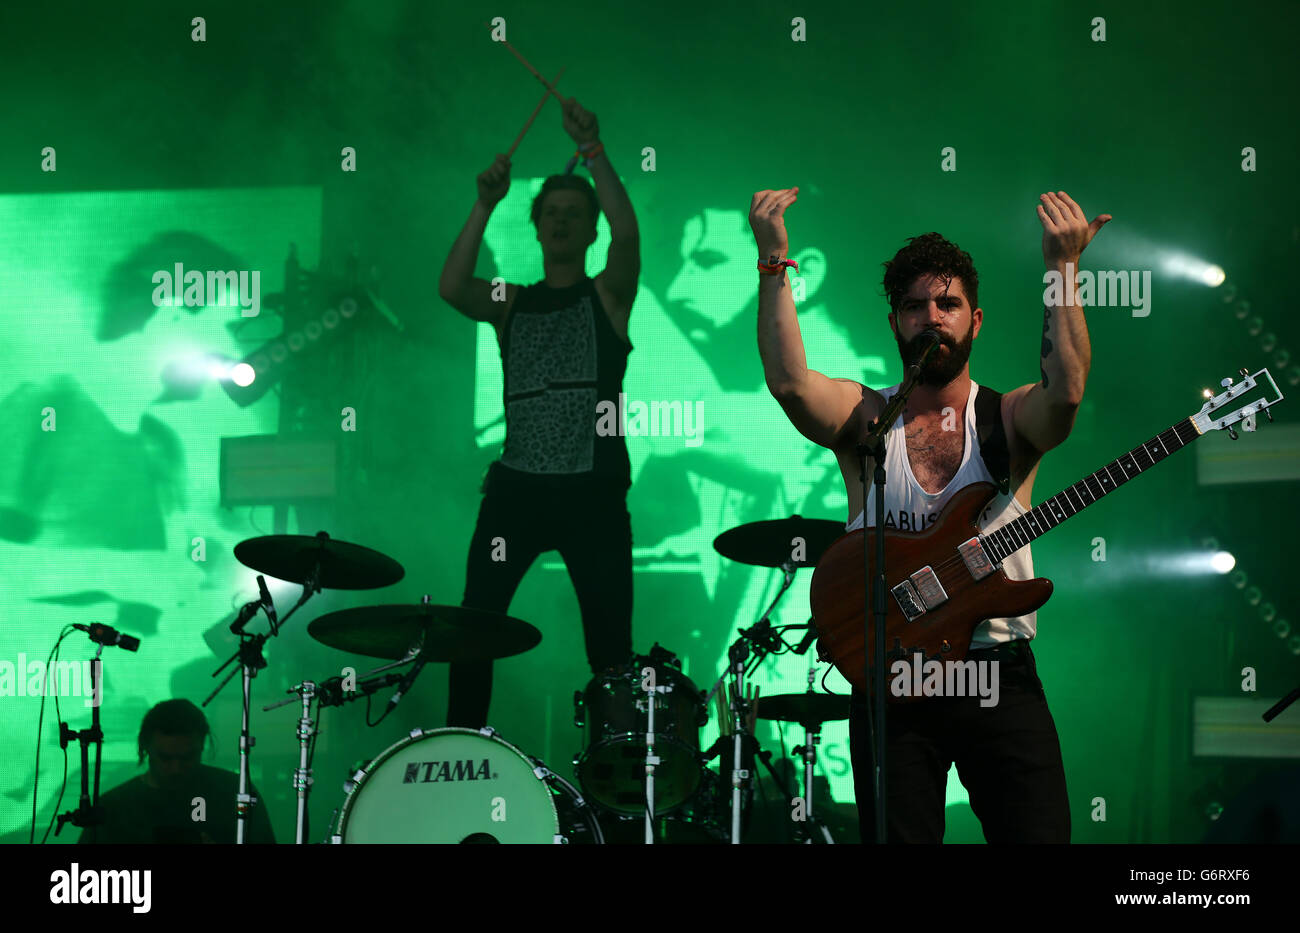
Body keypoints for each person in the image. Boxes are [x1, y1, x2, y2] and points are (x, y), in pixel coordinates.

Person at [752, 186, 1111, 843]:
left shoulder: (1004, 418)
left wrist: (1062, 269)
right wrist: (774, 261)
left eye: (948, 304)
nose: (932, 317)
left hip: (995, 668)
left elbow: (1067, 392)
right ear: (895, 322)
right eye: (915, 306)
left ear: (976, 321)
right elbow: (789, 382)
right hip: (892, 673)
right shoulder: (865, 416)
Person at [437, 97, 641, 728]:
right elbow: (451, 286)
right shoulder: (510, 302)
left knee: (609, 646)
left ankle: (621, 780)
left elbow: (629, 235)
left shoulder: (606, 294)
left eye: (573, 214)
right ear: (536, 225)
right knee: (477, 623)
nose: (560, 222)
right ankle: (462, 751)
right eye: (550, 213)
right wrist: (483, 203)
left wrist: (596, 153)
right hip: (517, 495)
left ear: (589, 230)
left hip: (592, 497)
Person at [78, 698, 275, 844]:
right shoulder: (114, 807)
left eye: (187, 758)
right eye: (165, 758)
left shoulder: (235, 791)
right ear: (145, 747)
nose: (176, 768)